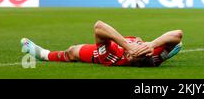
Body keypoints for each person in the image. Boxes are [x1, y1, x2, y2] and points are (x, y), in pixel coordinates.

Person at [21, 20, 183, 67]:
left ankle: (44, 54)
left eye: (134, 50)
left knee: (72, 51)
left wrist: (127, 45)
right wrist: (151, 45)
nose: (138, 46)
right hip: (149, 52)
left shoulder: (112, 56)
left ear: (129, 55)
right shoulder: (150, 54)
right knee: (170, 43)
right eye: (141, 47)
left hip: (103, 54)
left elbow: (99, 26)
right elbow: (178, 34)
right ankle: (166, 52)